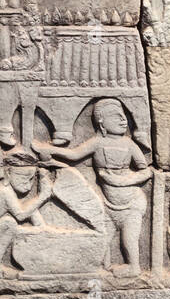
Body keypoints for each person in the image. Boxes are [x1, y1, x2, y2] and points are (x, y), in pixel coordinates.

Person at [41, 99, 151, 276]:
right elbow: (74, 154)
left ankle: (134, 267)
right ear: (101, 121)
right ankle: (102, 266)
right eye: (117, 117)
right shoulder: (97, 142)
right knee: (102, 239)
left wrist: (124, 181)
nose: (124, 120)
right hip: (108, 204)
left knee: (129, 238)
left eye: (124, 116)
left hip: (132, 203)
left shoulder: (129, 144)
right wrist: (50, 151)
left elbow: (146, 171)